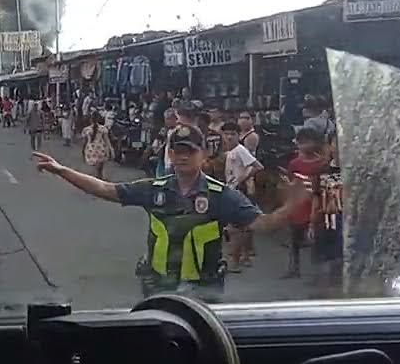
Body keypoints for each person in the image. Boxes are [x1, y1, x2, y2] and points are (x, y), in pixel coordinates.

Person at [32, 124, 308, 302]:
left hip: (204, 294)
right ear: (170, 155)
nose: (182, 156)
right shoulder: (154, 189)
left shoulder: (220, 195)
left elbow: (261, 224)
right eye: (177, 151)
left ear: (203, 154)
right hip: (157, 291)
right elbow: (105, 189)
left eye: (190, 151)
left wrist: (291, 206)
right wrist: (62, 170)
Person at [284, 126, 331, 279]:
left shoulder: (323, 164)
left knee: (318, 239)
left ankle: (321, 270)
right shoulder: (294, 164)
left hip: (316, 205)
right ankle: (294, 268)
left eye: (308, 142)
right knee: (294, 240)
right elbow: (290, 184)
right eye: (302, 142)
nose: (305, 145)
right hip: (298, 207)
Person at [221, 121, 263, 271]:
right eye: (226, 134)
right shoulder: (229, 152)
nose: (229, 137)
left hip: (239, 190)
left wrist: (242, 179)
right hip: (232, 189)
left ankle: (235, 261)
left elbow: (258, 166)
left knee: (236, 228)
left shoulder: (240, 150)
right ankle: (244, 256)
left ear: (238, 135)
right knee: (243, 226)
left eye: (232, 134)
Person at [81, 110, 113, 178]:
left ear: (90, 119)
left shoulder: (87, 130)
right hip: (101, 149)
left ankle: (96, 179)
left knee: (95, 168)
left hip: (91, 150)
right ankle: (100, 178)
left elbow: (85, 142)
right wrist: (111, 150)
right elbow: (107, 141)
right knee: (100, 168)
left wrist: (83, 151)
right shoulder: (103, 129)